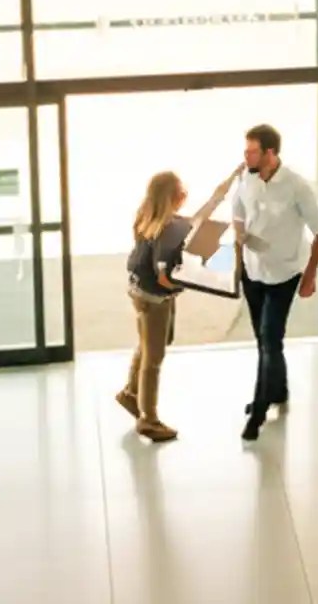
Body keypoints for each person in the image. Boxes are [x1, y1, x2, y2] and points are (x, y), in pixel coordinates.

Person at [118, 166, 241, 442]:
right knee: (154, 358)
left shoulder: (147, 217)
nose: (185, 193)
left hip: (139, 292)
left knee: (147, 346)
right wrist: (191, 280)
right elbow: (164, 277)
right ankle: (148, 420)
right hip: (155, 297)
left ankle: (130, 394)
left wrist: (222, 191)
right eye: (182, 189)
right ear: (175, 195)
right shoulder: (169, 227)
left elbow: (194, 222)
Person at [233, 124, 318, 441]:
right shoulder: (245, 179)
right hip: (252, 271)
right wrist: (237, 246)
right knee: (266, 342)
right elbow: (237, 212)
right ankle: (279, 390)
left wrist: (311, 275)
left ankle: (259, 411)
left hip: (284, 274)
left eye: (252, 151)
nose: (246, 155)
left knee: (269, 338)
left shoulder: (297, 186)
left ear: (270, 153)